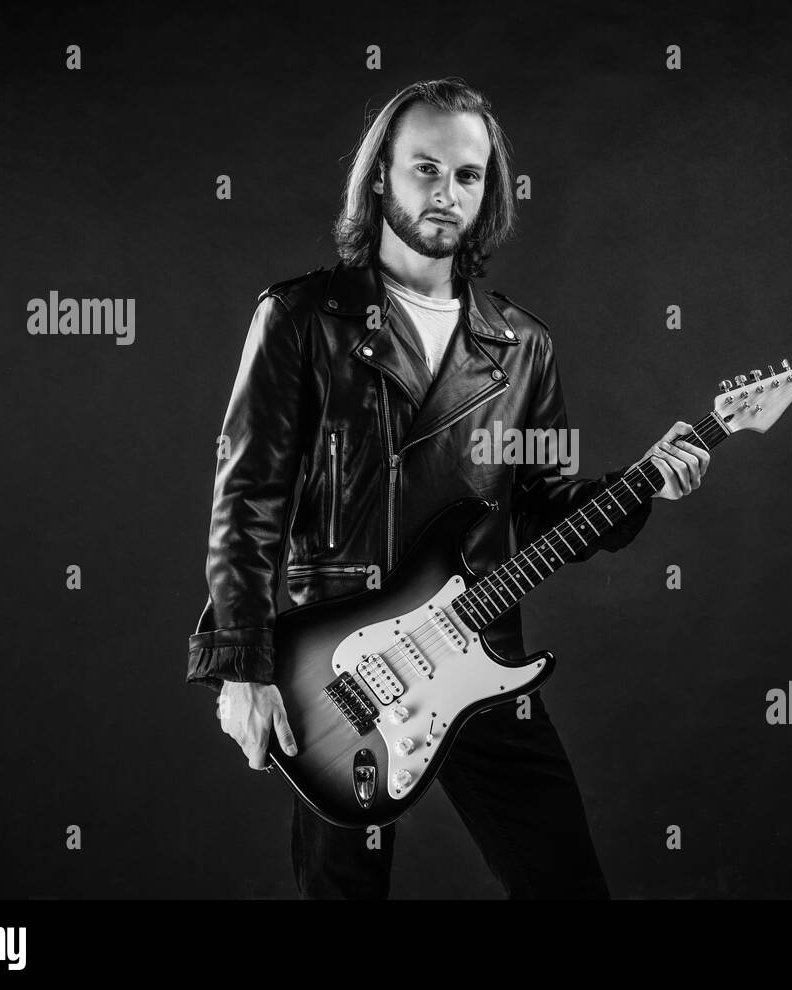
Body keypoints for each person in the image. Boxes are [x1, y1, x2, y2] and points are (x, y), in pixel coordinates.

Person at [187, 78, 710, 898]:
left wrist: (644, 485)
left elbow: (537, 505)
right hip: (339, 666)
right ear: (379, 179)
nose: (446, 193)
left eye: (467, 176)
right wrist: (243, 668)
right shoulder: (301, 319)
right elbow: (247, 501)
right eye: (425, 169)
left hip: (479, 653)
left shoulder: (523, 346)